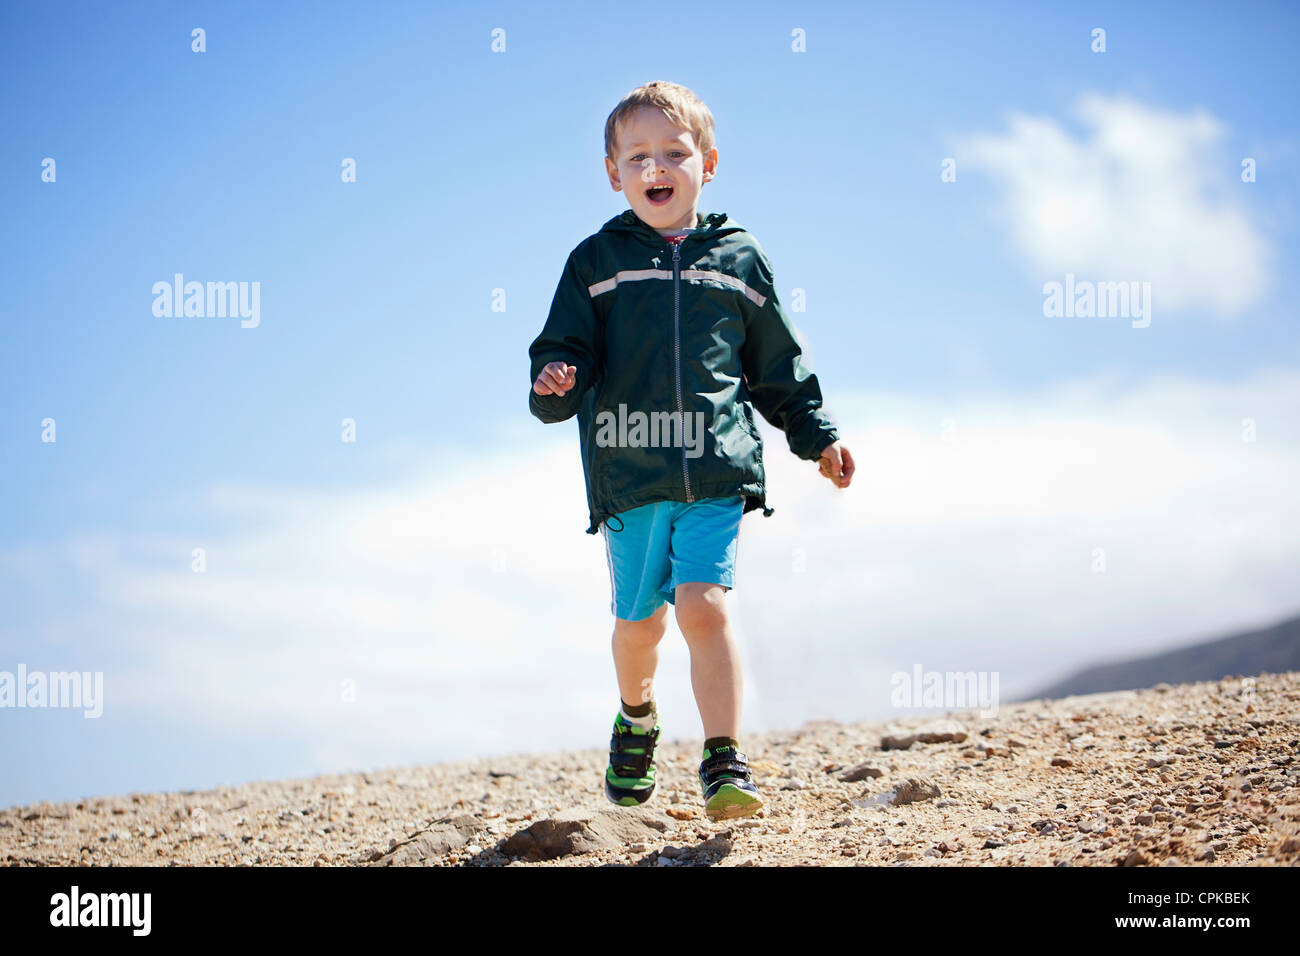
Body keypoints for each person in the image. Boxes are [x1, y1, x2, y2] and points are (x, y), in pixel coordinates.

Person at [528, 80, 854, 821]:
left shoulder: (739, 258)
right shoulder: (596, 262)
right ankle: (636, 717)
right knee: (640, 626)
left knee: (704, 608)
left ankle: (724, 759)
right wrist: (554, 383)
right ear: (614, 173)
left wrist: (816, 435)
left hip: (715, 469)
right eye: (637, 156)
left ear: (707, 161)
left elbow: (778, 367)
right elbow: (560, 355)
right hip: (630, 471)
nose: (656, 167)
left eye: (674, 152)